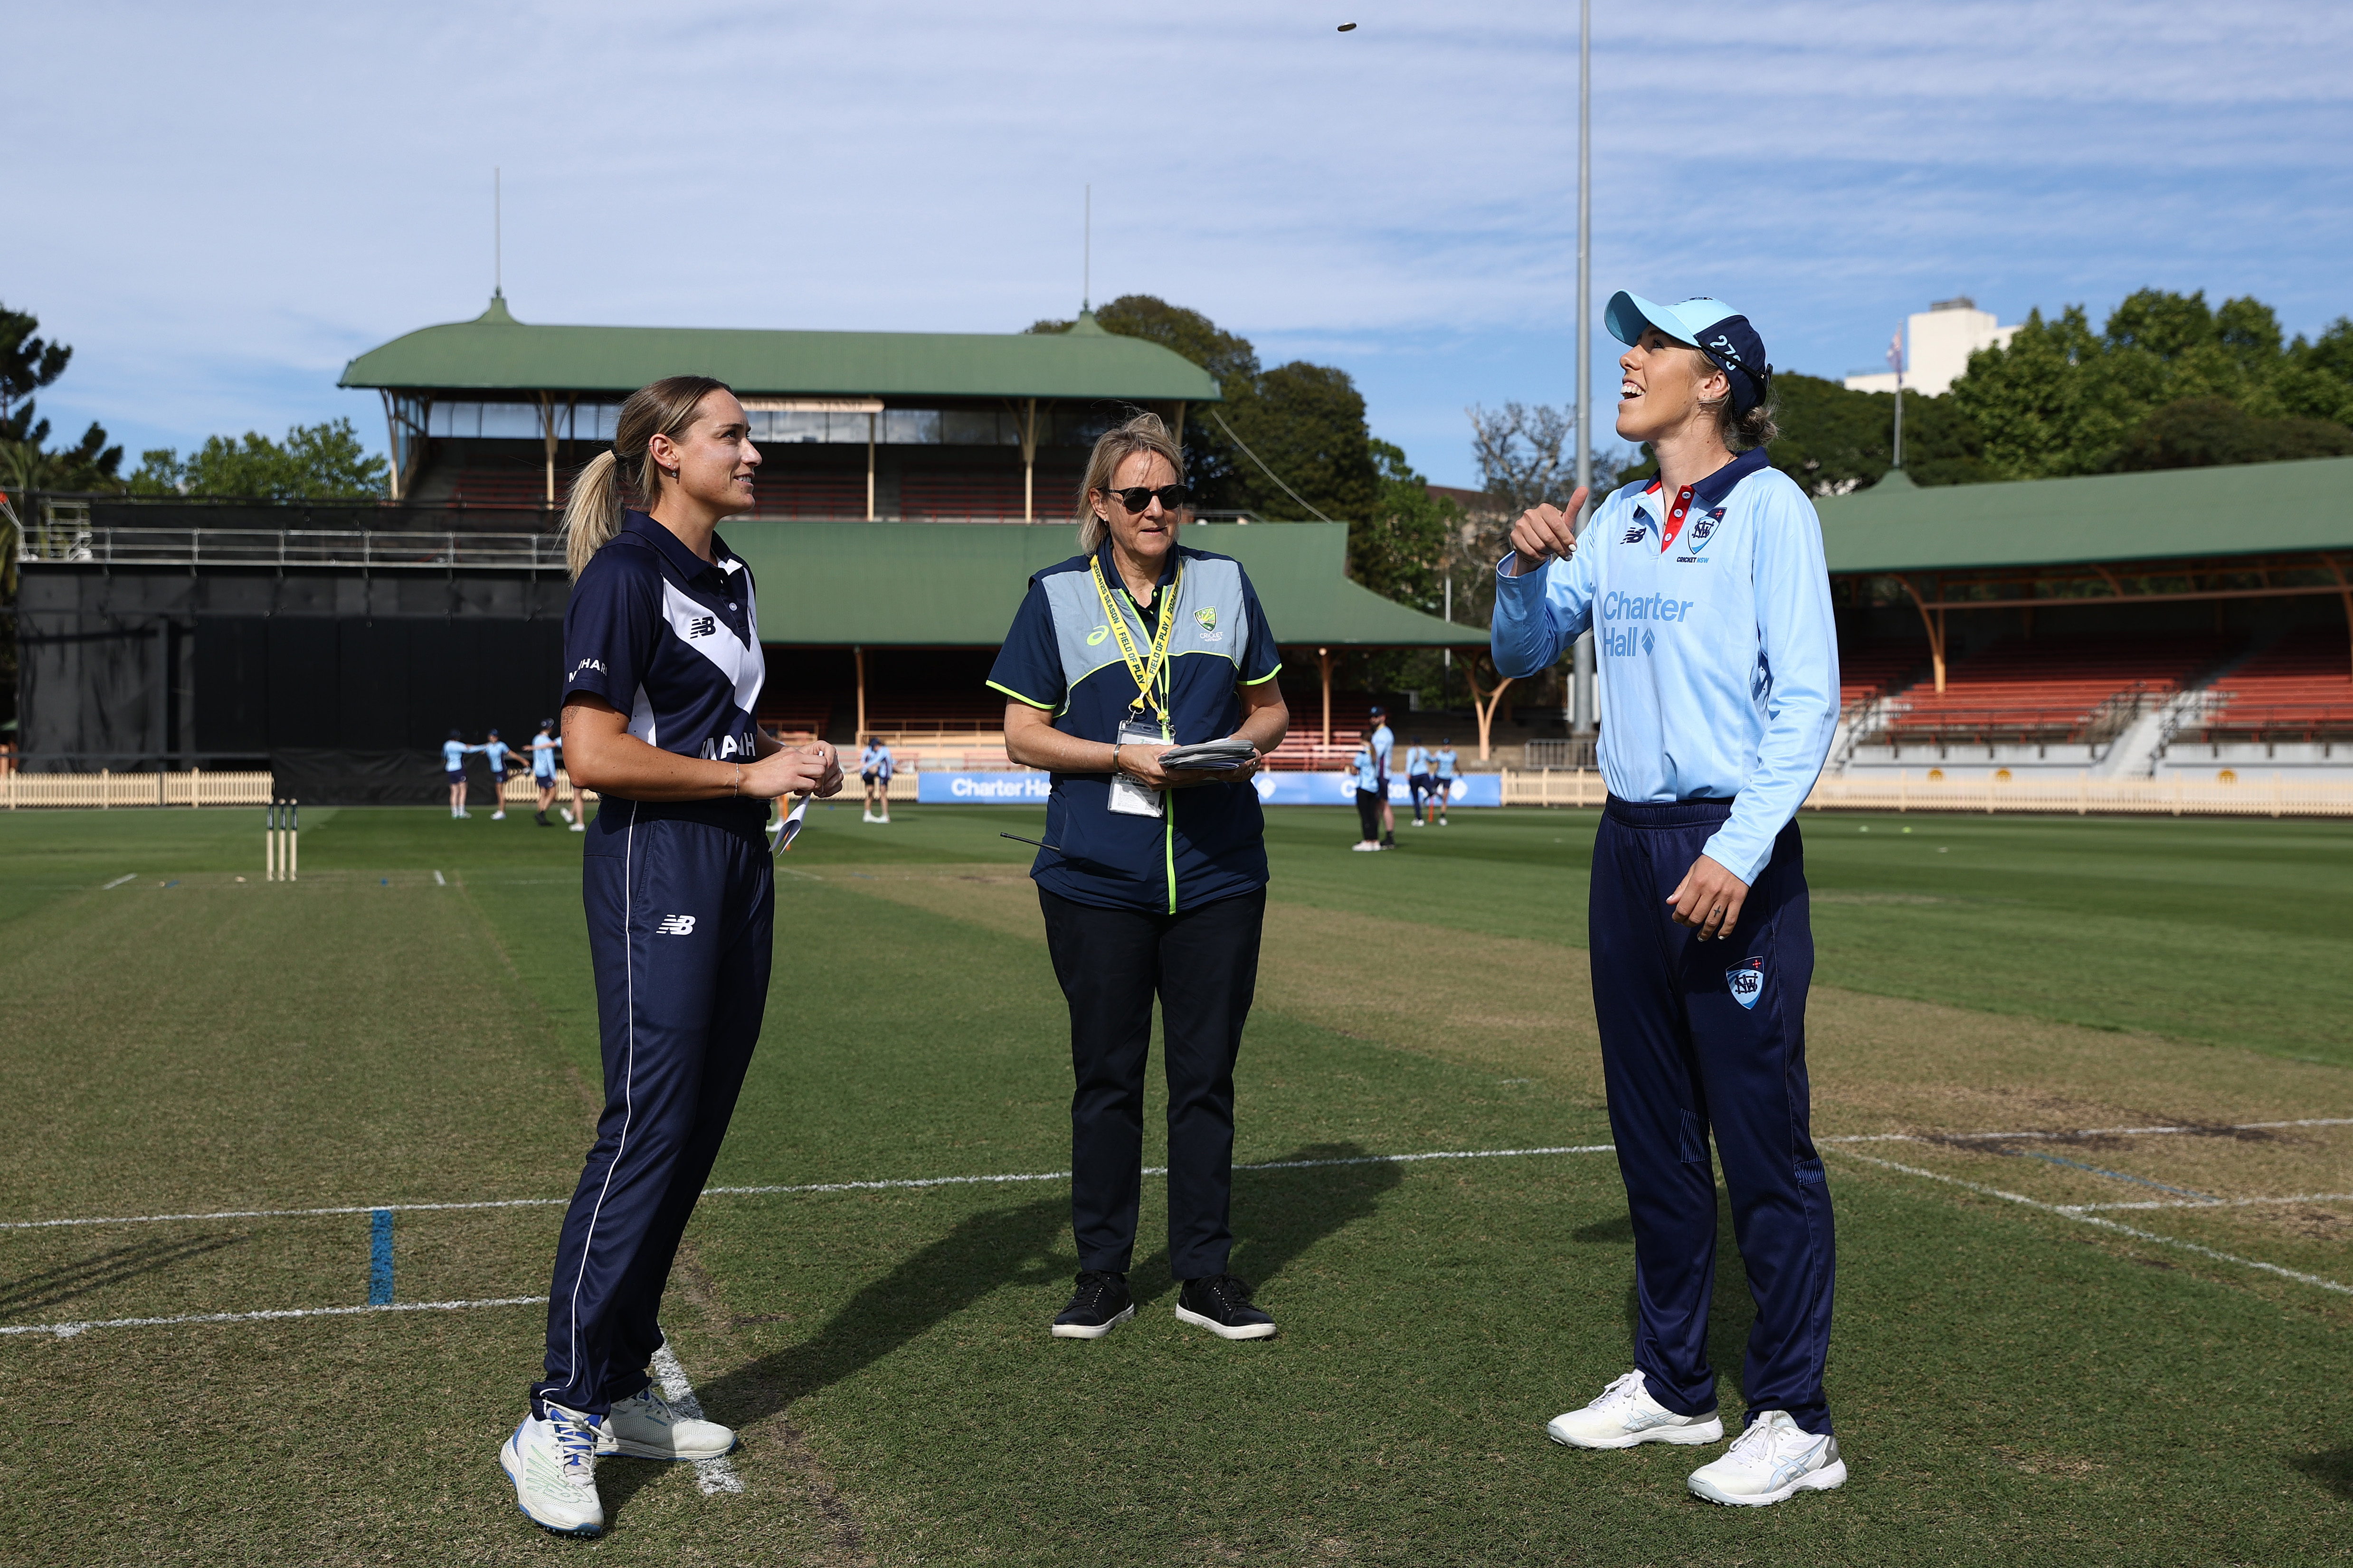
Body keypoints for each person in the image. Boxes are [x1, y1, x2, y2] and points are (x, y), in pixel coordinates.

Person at [1491, 292, 1841, 1507]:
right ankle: (1674, 1381)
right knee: (1651, 1135)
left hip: (1726, 846)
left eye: (1653, 345)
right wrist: (1519, 567)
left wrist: (1737, 852)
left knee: (1761, 1143)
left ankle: (1795, 1415)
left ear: (1716, 380)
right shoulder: (1621, 517)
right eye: (1628, 343)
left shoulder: (1771, 507)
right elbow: (1520, 652)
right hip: (1627, 846)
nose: (1629, 360)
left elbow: (1806, 700)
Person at [498, 374, 844, 1539]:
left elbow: (708, 722)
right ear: (665, 452)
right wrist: (747, 773)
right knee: (646, 1123)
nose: (753, 453)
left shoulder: (730, 575)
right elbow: (592, 753)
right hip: (658, 864)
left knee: (694, 1126)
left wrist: (782, 754)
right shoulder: (623, 573)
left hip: (736, 862)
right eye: (731, 435)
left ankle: (620, 1378)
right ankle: (557, 1412)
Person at [989, 411, 1290, 1345]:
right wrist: (1117, 757)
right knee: (1107, 1079)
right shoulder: (1054, 595)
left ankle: (1205, 1275)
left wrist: (1239, 749)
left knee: (1205, 1080)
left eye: (1169, 493)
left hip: (1217, 871)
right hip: (1094, 876)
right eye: (1136, 496)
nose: (1156, 508)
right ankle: (1101, 1276)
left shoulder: (1224, 583)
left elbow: (1271, 708)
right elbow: (1021, 734)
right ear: (1101, 504)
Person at [527, 719, 573, 828]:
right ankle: (541, 813)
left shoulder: (536, 739)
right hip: (545, 770)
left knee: (543, 793)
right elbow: (549, 760)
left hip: (538, 769)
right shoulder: (546, 741)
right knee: (553, 793)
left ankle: (541, 817)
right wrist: (553, 776)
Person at [1366, 705, 1396, 847]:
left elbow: (1376, 754)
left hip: (1381, 774)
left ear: (1383, 718)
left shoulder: (1384, 734)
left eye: (1376, 717)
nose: (1373, 719)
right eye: (1372, 717)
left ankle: (1389, 836)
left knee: (1383, 804)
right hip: (1378, 774)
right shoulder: (1379, 733)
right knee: (1376, 805)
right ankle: (1373, 836)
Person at [1348, 733, 1383, 850]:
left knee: (1365, 816)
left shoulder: (1362, 754)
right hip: (1374, 787)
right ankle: (1375, 841)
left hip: (1364, 787)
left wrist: (1351, 770)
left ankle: (1368, 841)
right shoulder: (1375, 752)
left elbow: (1354, 770)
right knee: (1373, 815)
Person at [483, 728, 517, 820]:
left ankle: (502, 812)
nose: (494, 738)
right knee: (499, 789)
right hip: (494, 771)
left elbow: (512, 754)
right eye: (492, 736)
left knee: (499, 791)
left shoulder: (501, 745)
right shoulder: (488, 746)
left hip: (501, 770)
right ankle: (522, 773)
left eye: (496, 736)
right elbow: (480, 750)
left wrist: (523, 760)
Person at [860, 736, 894, 823]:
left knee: (883, 794)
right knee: (870, 793)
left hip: (881, 772)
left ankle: (886, 816)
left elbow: (881, 761)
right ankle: (868, 814)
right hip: (871, 772)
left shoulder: (883, 750)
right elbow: (864, 762)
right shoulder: (867, 751)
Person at [444, 729, 477, 818]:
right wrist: (483, 747)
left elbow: (444, 756)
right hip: (458, 769)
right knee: (463, 790)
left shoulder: (447, 745)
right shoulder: (457, 745)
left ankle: (455, 813)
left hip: (450, 769)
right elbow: (469, 750)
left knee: (454, 791)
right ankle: (462, 812)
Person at [1404, 735, 1433, 826]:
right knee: (1430, 790)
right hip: (1424, 774)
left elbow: (1410, 763)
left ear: (1412, 742)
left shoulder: (1411, 751)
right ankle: (1432, 792)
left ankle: (1419, 819)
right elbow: (1431, 760)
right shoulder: (1424, 750)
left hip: (1414, 776)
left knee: (1416, 798)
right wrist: (1436, 757)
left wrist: (1408, 773)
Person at [1431, 737, 1459, 826]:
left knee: (1445, 798)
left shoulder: (1453, 755)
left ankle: (1442, 817)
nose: (1446, 747)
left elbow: (1456, 764)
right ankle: (1430, 798)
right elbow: (1434, 762)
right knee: (1431, 790)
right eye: (1445, 745)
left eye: (1448, 745)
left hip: (1448, 777)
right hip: (1439, 776)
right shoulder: (1439, 754)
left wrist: (1459, 771)